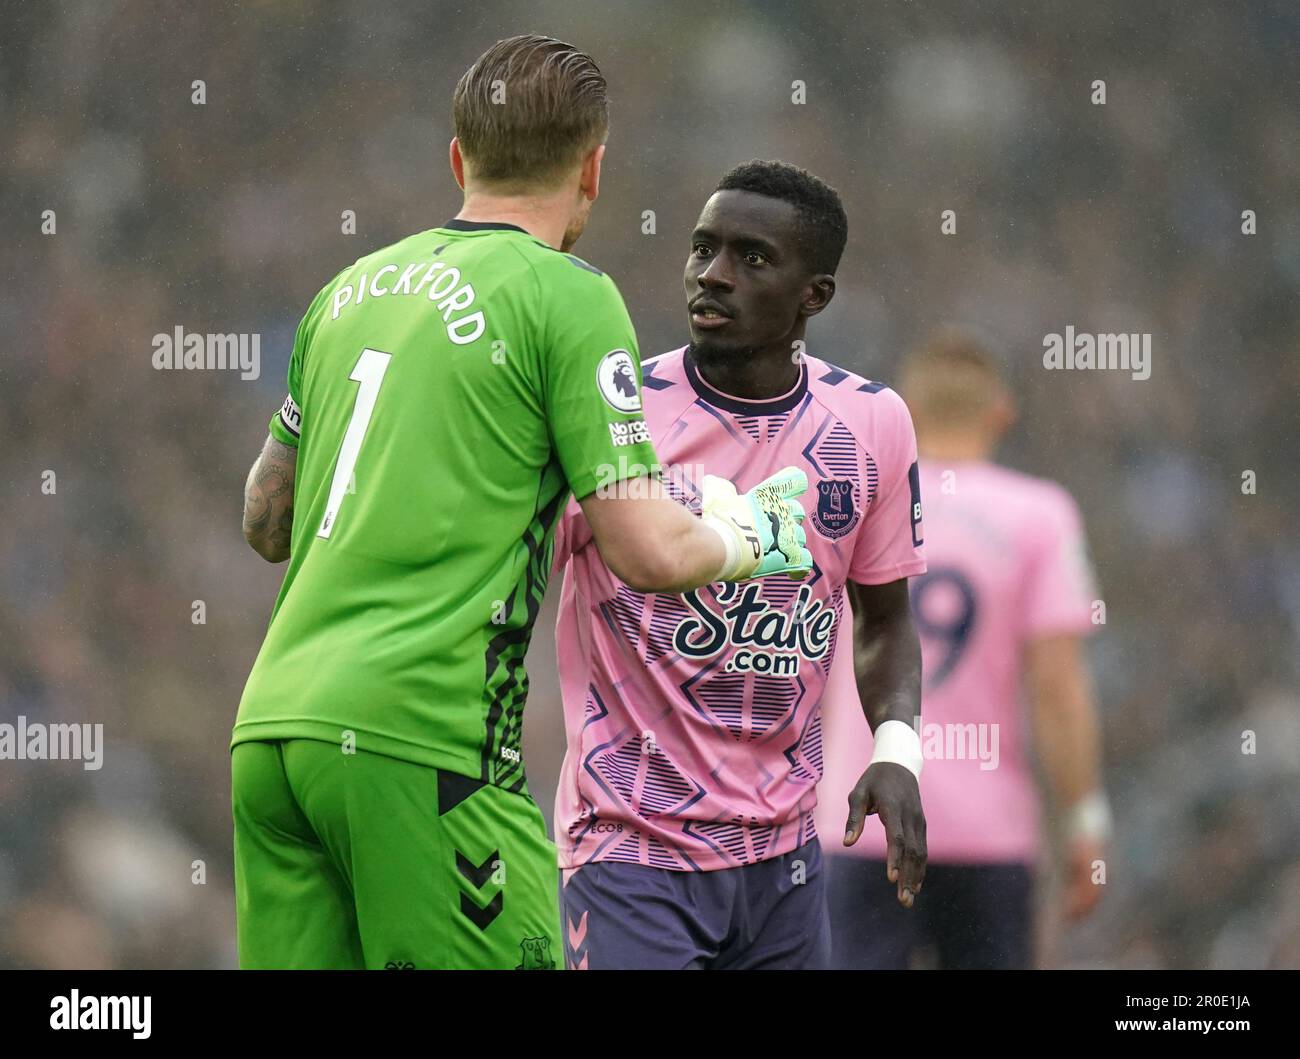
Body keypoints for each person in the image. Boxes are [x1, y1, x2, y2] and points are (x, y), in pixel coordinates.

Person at [231, 36, 810, 971]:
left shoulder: (346, 292)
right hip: (426, 742)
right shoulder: (566, 297)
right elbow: (646, 549)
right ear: (593, 168)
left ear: (458, 160)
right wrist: (747, 533)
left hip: (272, 736)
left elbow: (264, 517)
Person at [552, 161, 928, 970]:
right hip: (629, 851)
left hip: (785, 866)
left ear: (814, 295)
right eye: (702, 249)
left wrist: (896, 750)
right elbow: (506, 589)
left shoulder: (872, 424)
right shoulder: (613, 413)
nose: (712, 275)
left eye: (751, 258)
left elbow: (886, 617)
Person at [817, 329, 1109, 969]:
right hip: (989, 834)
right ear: (1001, 411)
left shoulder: (853, 499)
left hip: (860, 820)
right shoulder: (1039, 515)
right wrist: (1084, 818)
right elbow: (1058, 688)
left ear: (904, 412)